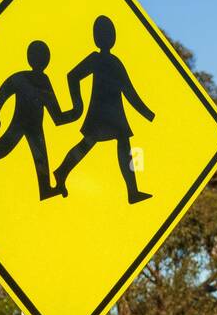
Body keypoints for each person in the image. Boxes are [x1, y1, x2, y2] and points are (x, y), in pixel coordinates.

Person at [52, 15, 156, 205]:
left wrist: (149, 114)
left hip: (113, 112)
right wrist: (78, 104)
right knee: (93, 144)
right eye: (106, 34)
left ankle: (132, 191)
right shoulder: (98, 59)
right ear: (98, 38)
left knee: (112, 145)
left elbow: (129, 91)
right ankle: (62, 172)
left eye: (111, 34)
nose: (110, 37)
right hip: (103, 112)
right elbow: (73, 76)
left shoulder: (115, 62)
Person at [0, 40, 75, 201]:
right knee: (7, 149)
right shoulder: (27, 79)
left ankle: (45, 188)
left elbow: (56, 116)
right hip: (22, 123)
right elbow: (3, 93)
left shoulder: (27, 78)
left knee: (37, 155)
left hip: (33, 126)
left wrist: (75, 113)